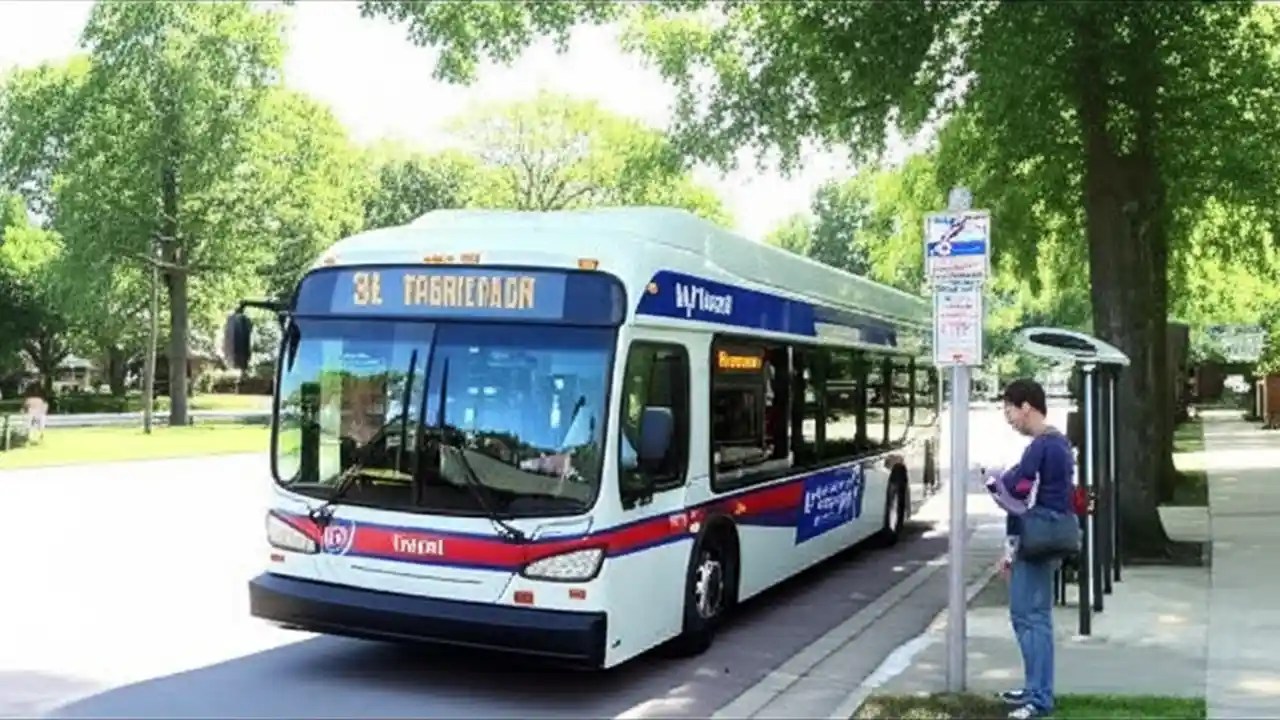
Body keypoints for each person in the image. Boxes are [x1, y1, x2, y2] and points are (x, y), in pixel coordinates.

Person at [985, 378, 1075, 720]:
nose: (1008, 419)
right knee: (1032, 617)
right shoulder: (1059, 443)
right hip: (1044, 537)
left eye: (1009, 410)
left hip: (1036, 540)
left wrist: (995, 482)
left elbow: (1019, 491)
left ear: (1026, 407)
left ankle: (1039, 697)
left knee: (1030, 618)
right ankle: (1035, 688)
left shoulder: (1041, 447)